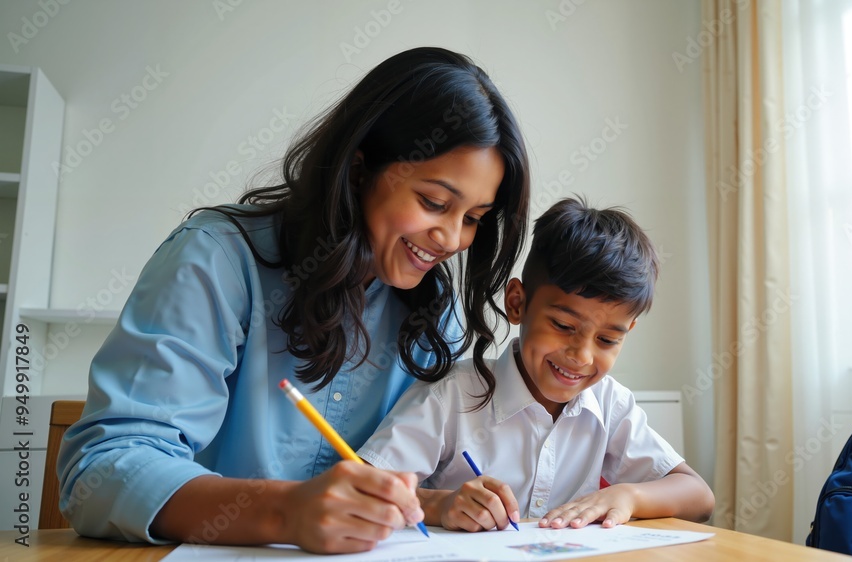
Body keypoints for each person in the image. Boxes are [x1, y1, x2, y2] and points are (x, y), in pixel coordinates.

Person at [56, 47, 530, 554]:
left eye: (475, 217)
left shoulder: (438, 318)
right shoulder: (217, 261)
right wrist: (287, 512)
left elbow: (403, 478)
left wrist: (434, 503)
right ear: (358, 169)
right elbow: (101, 472)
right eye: (434, 203)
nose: (452, 238)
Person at [358, 197, 715, 532]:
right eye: (563, 326)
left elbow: (699, 497)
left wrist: (629, 495)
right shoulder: (450, 397)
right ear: (517, 303)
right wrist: (439, 505)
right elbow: (363, 491)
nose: (582, 356)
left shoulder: (611, 405)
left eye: (607, 339)